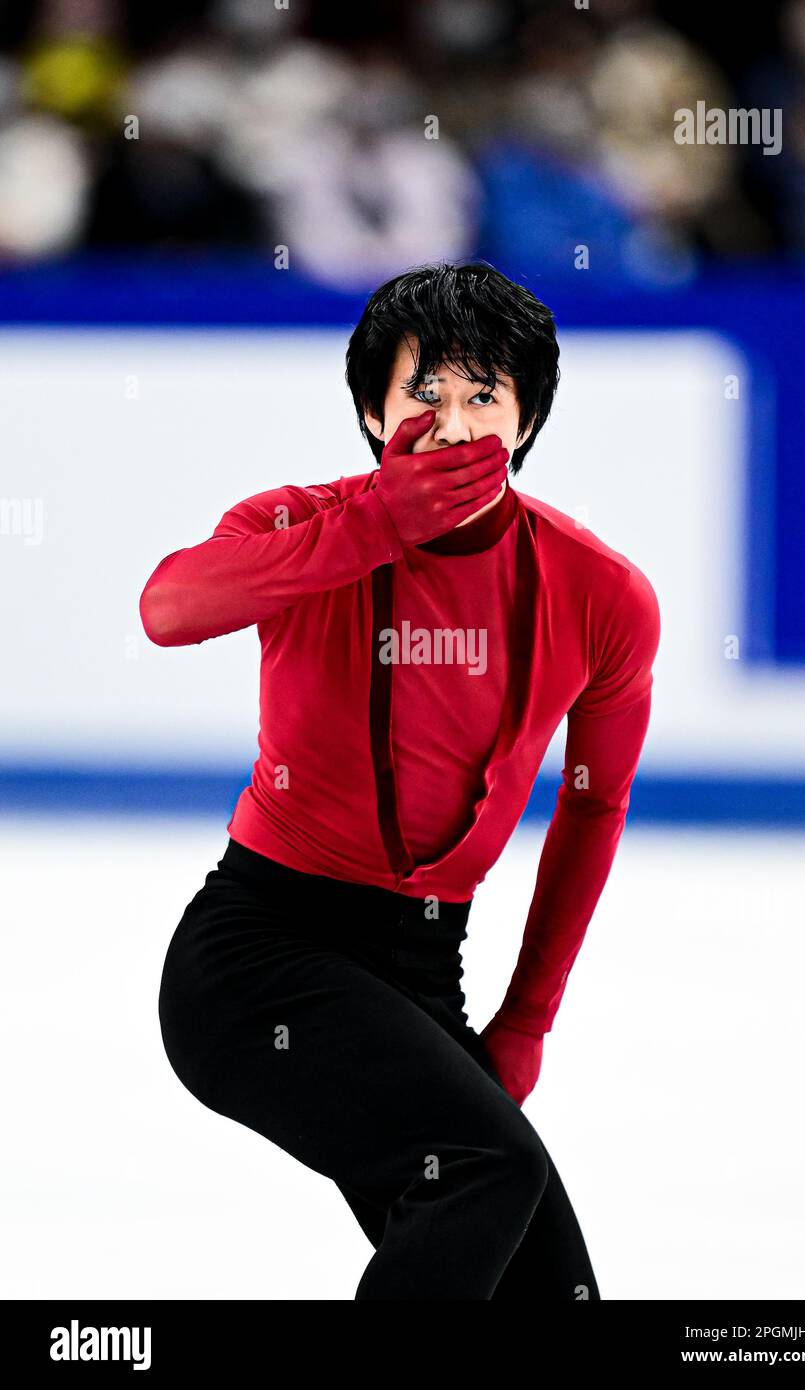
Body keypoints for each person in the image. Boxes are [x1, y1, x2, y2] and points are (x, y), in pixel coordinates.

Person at [141, 261, 661, 1300]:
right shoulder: (299, 523)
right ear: (374, 412)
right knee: (485, 1168)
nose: (453, 424)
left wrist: (523, 1019)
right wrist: (375, 525)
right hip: (258, 961)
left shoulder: (600, 593)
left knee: (547, 1286)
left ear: (524, 420)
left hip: (421, 975)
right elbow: (170, 607)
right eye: (423, 393)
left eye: (483, 396)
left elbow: (592, 805)